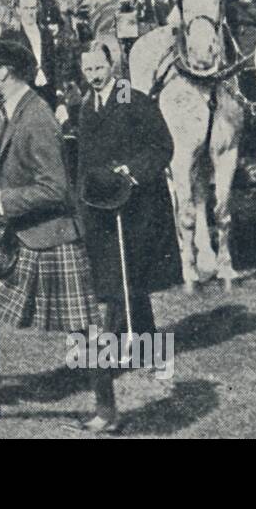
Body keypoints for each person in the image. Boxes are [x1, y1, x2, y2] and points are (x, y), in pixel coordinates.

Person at [0, 41, 100, 420]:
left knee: (86, 331)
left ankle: (106, 411)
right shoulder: (17, 110)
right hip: (27, 234)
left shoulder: (37, 117)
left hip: (52, 236)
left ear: (5, 71)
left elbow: (56, 188)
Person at [71, 40, 175, 431]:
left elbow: (162, 147)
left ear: (111, 64)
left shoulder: (134, 99)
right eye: (88, 69)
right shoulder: (86, 105)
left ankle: (123, 356)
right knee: (121, 281)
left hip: (135, 209)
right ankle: (146, 348)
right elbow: (83, 158)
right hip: (99, 209)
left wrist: (131, 172)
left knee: (121, 283)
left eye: (99, 68)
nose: (94, 75)